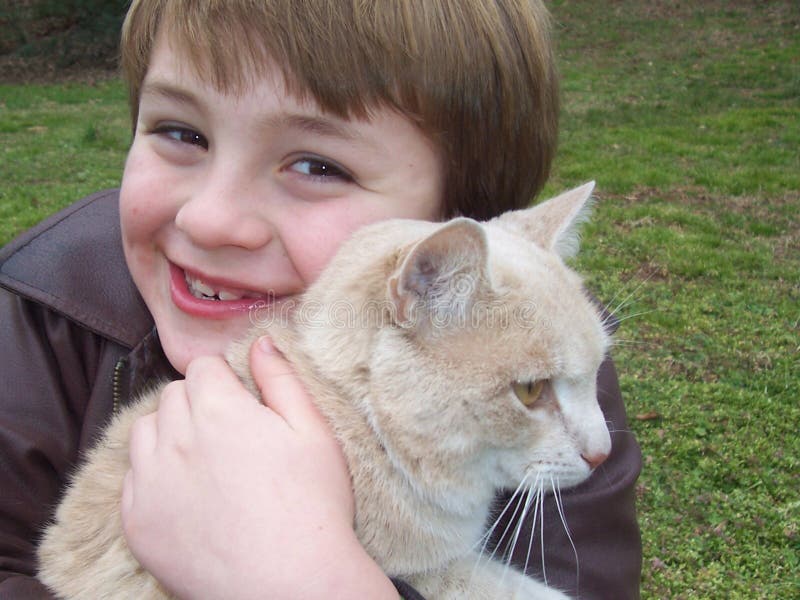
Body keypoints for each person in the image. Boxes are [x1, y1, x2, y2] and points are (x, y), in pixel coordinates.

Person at [0, 1, 642, 598]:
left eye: (317, 166)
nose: (209, 220)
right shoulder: (38, 314)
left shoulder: (543, 369)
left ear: (450, 229)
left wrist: (311, 579)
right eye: (182, 133)